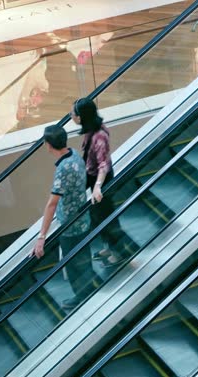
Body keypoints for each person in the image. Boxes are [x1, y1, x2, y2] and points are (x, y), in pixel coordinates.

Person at [31, 125, 92, 311]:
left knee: (74, 265)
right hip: (83, 218)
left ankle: (83, 298)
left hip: (71, 226)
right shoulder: (74, 154)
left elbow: (52, 204)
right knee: (84, 260)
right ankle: (88, 292)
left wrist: (41, 237)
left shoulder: (63, 169)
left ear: (48, 145)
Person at [72, 97, 123, 267]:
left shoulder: (99, 136)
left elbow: (103, 165)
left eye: (74, 113)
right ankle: (108, 247)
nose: (72, 115)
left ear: (82, 116)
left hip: (101, 180)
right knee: (98, 217)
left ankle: (118, 252)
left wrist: (97, 187)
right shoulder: (91, 129)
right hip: (93, 177)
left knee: (106, 217)